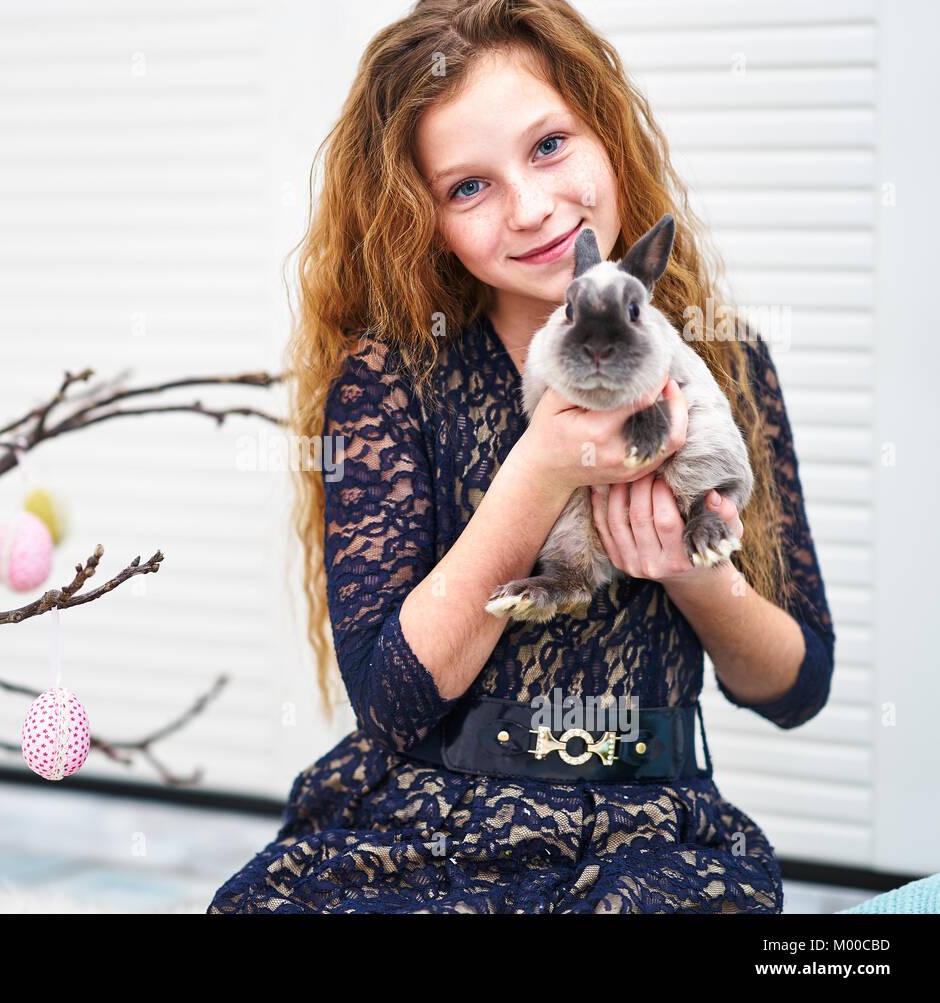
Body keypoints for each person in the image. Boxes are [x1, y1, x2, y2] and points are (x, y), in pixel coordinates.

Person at [207, 0, 835, 913]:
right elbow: (389, 703)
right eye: (469, 186)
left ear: (606, 130)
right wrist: (543, 466)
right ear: (420, 217)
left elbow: (797, 683)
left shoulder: (723, 363)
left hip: (646, 831)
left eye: (549, 146)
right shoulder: (391, 377)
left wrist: (697, 575)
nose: (533, 207)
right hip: (425, 824)